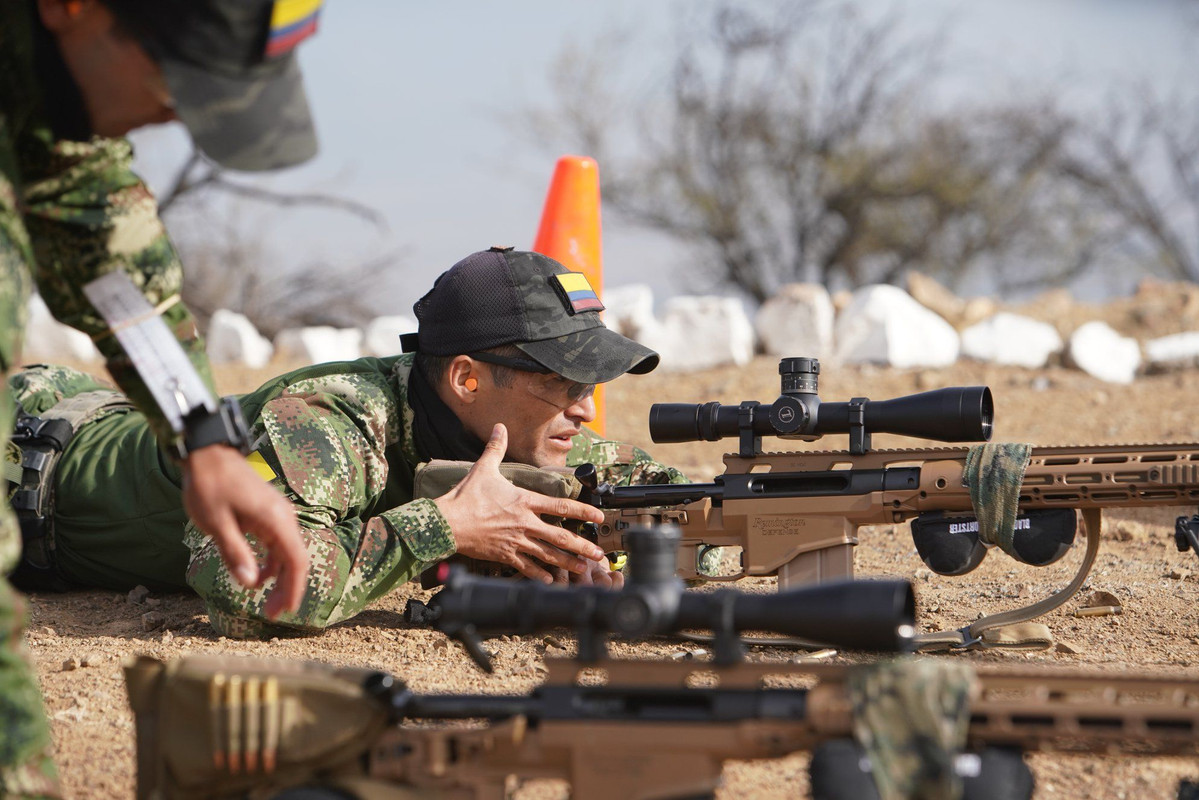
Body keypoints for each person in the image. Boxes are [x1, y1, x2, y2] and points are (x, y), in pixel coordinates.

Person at [8, 247, 689, 641]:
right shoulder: (323, 421)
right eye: (561, 382)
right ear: (465, 379)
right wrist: (443, 527)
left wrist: (632, 557)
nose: (585, 408)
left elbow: (690, 511)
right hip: (23, 466)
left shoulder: (538, 436)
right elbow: (248, 589)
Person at [2, 0, 324, 792]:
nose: (175, 114)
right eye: (172, 76)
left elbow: (109, 264)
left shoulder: (47, 95)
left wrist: (202, 437)